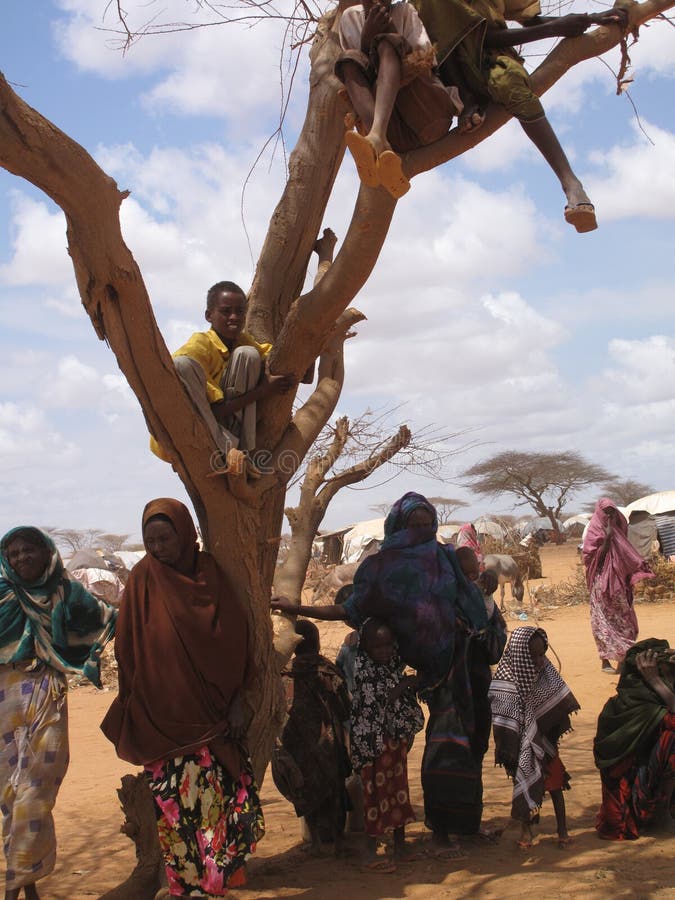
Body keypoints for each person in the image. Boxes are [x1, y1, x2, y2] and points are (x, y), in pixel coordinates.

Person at [272, 492, 499, 853]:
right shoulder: (382, 569)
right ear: (397, 526)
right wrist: (297, 607)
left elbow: (471, 601)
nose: (422, 531)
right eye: (414, 525)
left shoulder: (445, 558)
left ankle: (468, 826)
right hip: (436, 674)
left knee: (473, 745)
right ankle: (441, 832)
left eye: (428, 524)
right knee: (445, 748)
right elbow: (350, 609)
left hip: (469, 664)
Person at [101, 498, 264, 897]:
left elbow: (234, 637)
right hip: (162, 719)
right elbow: (128, 649)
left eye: (165, 537)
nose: (158, 547)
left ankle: (211, 887)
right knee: (175, 817)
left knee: (216, 813)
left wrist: (236, 699)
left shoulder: (210, 572)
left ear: (185, 533)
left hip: (213, 715)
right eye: (150, 539)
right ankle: (184, 890)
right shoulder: (142, 578)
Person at [411, 0, 628, 232]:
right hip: (446, 74)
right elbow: (478, 36)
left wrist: (590, 19)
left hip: (493, 62)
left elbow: (531, 21)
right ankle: (468, 99)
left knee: (509, 81)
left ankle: (571, 183)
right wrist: (554, 29)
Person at [0, 526, 116, 900]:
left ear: (45, 552)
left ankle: (18, 883)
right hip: (4, 698)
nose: (21, 558)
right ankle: (25, 879)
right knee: (8, 793)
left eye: (28, 550)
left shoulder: (65, 592)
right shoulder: (2, 594)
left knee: (37, 793)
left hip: (46, 696)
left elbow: (106, 619)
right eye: (13, 553)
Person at [149, 281, 296, 475]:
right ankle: (227, 454)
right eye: (226, 312)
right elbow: (211, 413)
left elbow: (271, 356)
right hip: (190, 430)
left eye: (240, 312)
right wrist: (262, 391)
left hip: (222, 428)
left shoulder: (241, 342)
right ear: (209, 315)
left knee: (249, 354)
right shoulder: (198, 348)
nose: (234, 318)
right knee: (181, 365)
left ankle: (243, 452)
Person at [336, 0, 463, 199]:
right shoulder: (350, 17)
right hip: (396, 137)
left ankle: (377, 135)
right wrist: (367, 40)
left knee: (388, 42)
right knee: (348, 61)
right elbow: (361, 72)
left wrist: (387, 35)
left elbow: (425, 62)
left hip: (427, 114)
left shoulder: (404, 11)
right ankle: (379, 143)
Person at [489, 626, 579, 849]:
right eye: (534, 655)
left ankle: (563, 829)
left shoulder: (546, 672)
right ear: (521, 654)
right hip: (519, 747)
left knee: (556, 786)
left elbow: (558, 699)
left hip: (546, 745)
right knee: (525, 782)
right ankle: (527, 831)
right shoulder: (505, 682)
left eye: (542, 654)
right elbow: (503, 718)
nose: (540, 660)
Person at [350, 618, 424, 870]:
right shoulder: (365, 671)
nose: (383, 651)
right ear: (366, 647)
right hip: (374, 745)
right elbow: (384, 697)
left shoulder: (391, 665)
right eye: (377, 646)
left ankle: (400, 846)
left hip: (393, 742)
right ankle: (370, 854)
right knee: (376, 795)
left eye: (388, 645)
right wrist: (407, 682)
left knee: (398, 790)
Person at [274, 619, 351, 855]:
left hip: (296, 744)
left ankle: (315, 843)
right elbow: (344, 707)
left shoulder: (284, 674)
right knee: (334, 789)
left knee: (305, 790)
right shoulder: (326, 670)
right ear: (317, 643)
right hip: (327, 742)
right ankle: (338, 842)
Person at [594, 638, 675, 840]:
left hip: (648, 782)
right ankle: (660, 816)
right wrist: (656, 681)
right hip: (632, 799)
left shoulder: (656, 701)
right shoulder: (636, 708)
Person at [582, 497, 654, 674]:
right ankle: (605, 661)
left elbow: (627, 554)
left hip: (618, 583)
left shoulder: (619, 528)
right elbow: (590, 557)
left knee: (625, 620)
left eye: (612, 511)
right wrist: (607, 537)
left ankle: (623, 660)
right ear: (599, 512)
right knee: (601, 622)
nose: (609, 515)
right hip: (601, 583)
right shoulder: (594, 529)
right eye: (606, 511)